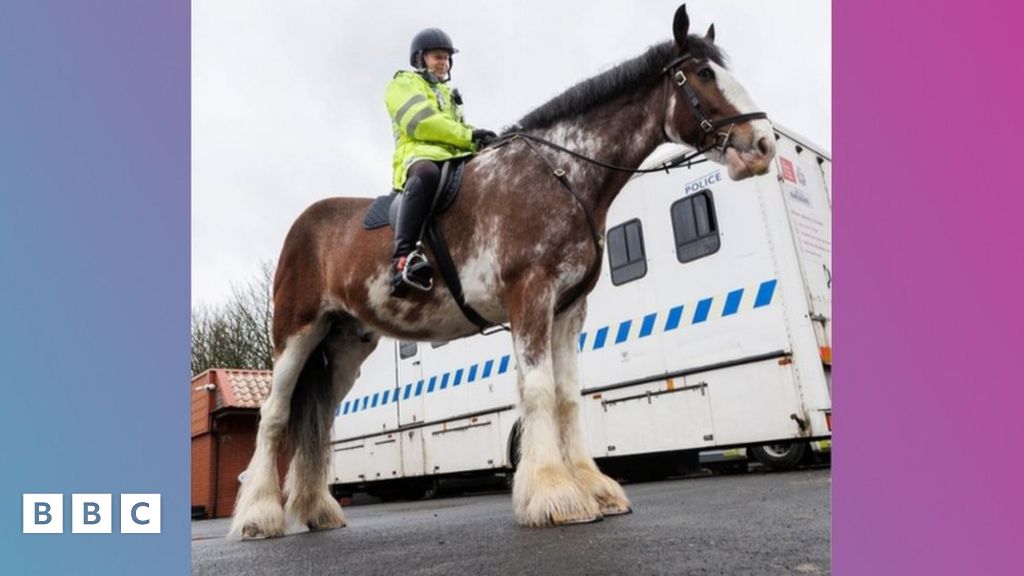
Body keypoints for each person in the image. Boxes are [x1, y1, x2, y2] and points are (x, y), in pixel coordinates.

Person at [385, 27, 497, 297]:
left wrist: (480, 141)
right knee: (427, 174)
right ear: (420, 58)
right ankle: (403, 259)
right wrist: (468, 136)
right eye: (438, 57)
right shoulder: (404, 83)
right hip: (418, 155)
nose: (444, 63)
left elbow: (457, 129)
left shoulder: (448, 95)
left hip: (453, 157)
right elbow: (422, 122)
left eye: (447, 58)